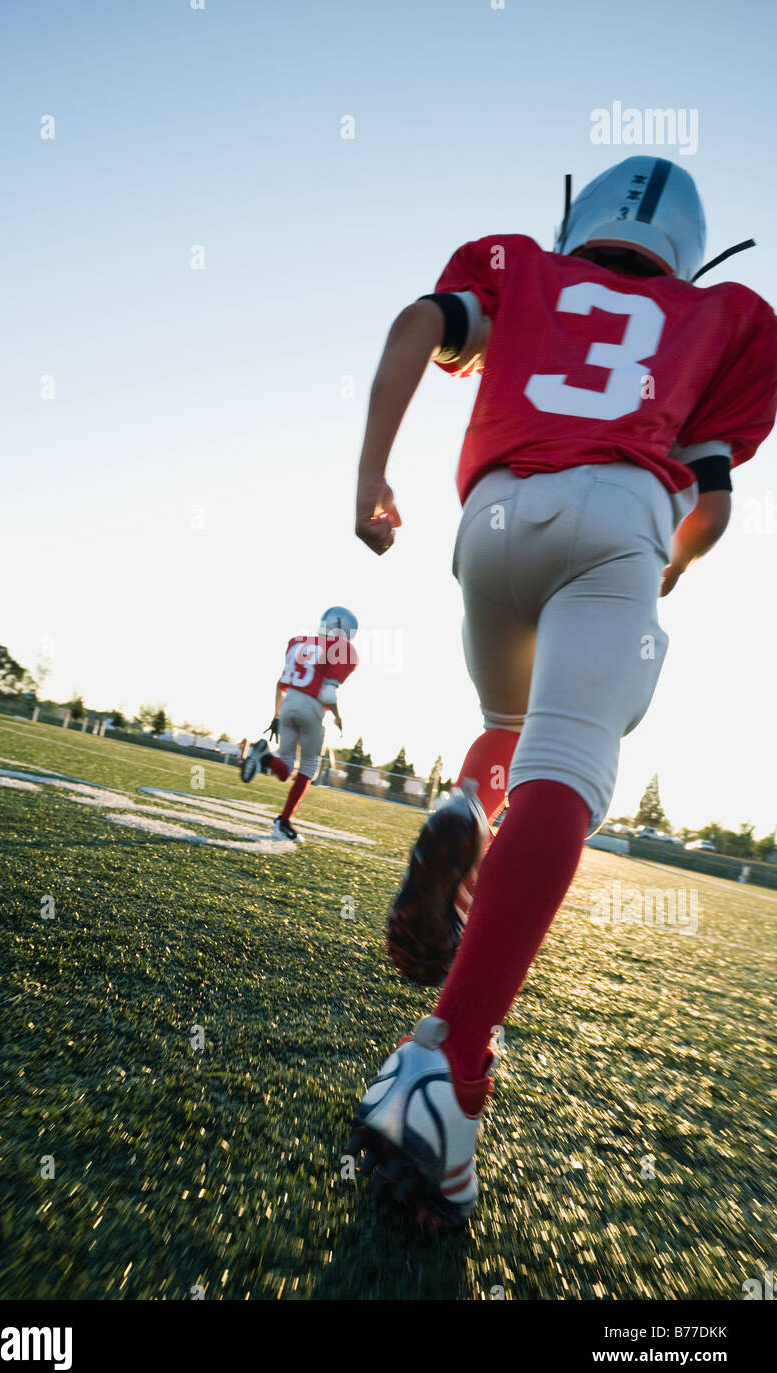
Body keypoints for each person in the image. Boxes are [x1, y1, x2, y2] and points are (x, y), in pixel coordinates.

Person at [347, 156, 777, 1224]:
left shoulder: (518, 267)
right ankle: (447, 1071)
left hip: (487, 521)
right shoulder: (727, 315)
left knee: (508, 722)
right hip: (619, 506)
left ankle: (460, 805)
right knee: (574, 757)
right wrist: (664, 562)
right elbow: (710, 500)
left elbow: (415, 322)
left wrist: (370, 476)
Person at [240, 607, 358, 841]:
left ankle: (264, 757)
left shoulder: (298, 642)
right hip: (311, 706)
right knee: (308, 768)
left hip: (288, 703)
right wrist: (338, 717)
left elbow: (280, 684)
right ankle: (283, 822)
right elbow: (328, 695)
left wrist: (276, 716)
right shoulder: (343, 649)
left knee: (284, 769)